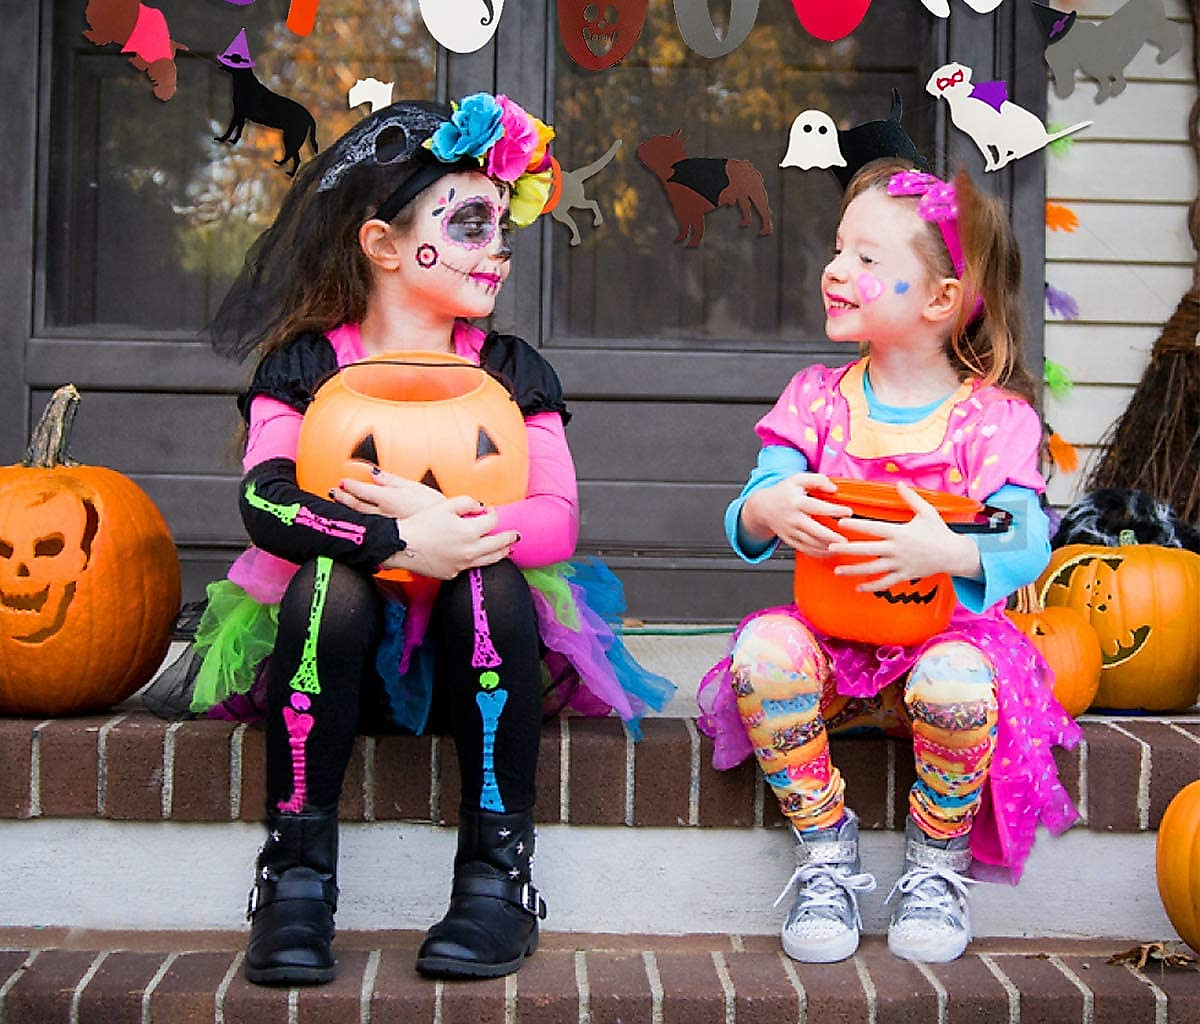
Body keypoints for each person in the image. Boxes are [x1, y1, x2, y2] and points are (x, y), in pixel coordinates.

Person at [155, 95, 673, 986]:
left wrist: (449, 537)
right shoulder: (307, 366)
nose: (497, 249)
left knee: (490, 582)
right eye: (469, 225)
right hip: (336, 663)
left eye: (503, 227)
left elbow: (555, 520)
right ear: (384, 245)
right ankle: (294, 880)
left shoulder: (510, 371)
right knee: (332, 583)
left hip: (474, 662)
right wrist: (399, 538)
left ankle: (497, 880)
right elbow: (268, 501)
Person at [697, 158, 1080, 965]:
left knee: (957, 678)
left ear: (941, 300)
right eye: (839, 249)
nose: (836, 269)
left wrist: (950, 549)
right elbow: (752, 505)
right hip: (832, 651)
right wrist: (767, 508)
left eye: (866, 258)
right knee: (763, 653)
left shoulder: (991, 421)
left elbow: (1029, 539)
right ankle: (823, 847)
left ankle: (936, 859)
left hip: (944, 651)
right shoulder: (816, 399)